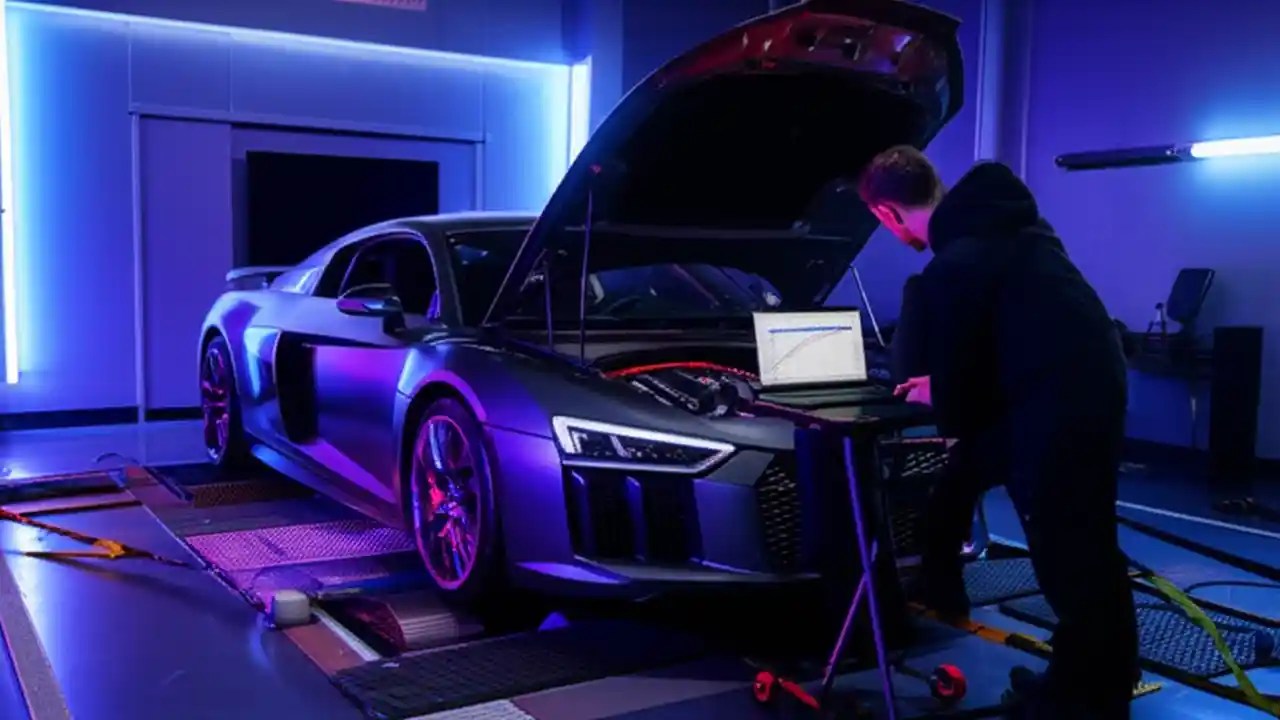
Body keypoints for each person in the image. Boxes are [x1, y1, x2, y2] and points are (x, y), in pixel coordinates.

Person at [856, 146, 1139, 719]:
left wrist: (938, 390)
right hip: (1089, 385)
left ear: (887, 213)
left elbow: (961, 382)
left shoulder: (956, 261)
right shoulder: (1010, 225)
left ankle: (1085, 701)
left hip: (1053, 404)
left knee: (1069, 555)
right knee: (1085, 544)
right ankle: (1086, 676)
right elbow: (1009, 333)